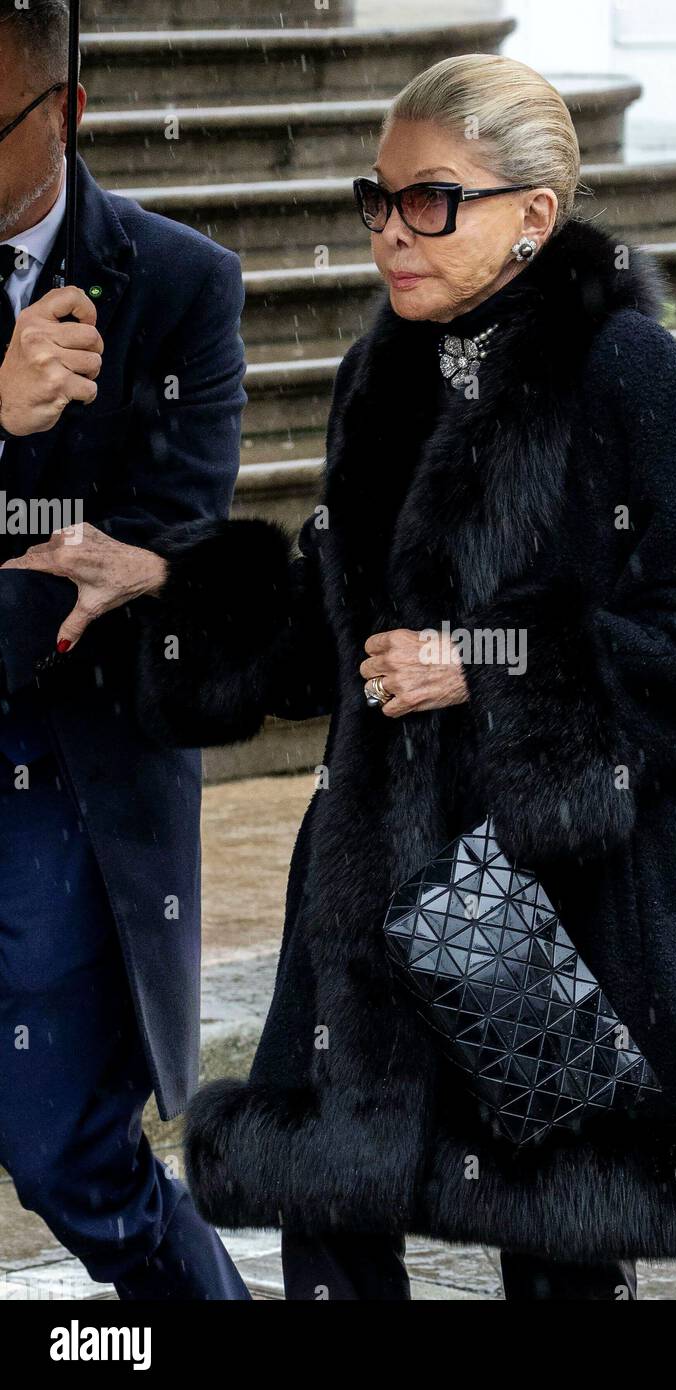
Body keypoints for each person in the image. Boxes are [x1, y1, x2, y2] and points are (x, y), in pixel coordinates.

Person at [14, 53, 676, 1301]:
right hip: (371, 898)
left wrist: (493, 668)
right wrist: (166, 587)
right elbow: (334, 627)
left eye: (430, 201)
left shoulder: (622, 371)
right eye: (379, 198)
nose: (391, 234)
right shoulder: (384, 370)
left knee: (555, 1244)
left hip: (542, 910)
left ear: (533, 216)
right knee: (328, 1217)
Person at [0, 0, 250, 1299]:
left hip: (63, 772)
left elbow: (158, 560)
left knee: (64, 1146)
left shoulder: (182, 285)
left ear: (66, 112)